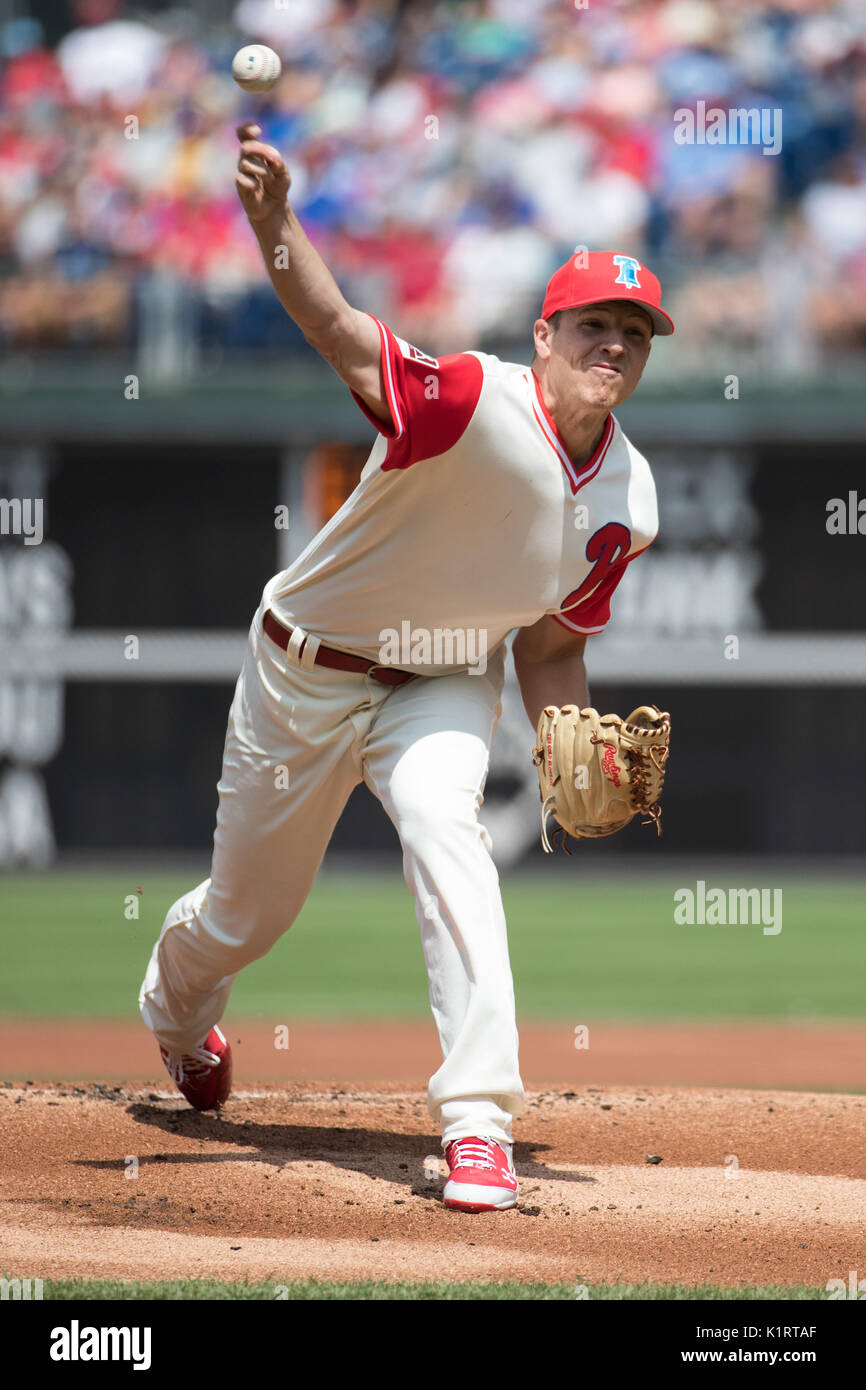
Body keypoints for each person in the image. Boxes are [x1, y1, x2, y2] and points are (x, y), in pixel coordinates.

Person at [139, 123, 674, 1213]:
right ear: (545, 333)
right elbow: (340, 332)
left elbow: (553, 639)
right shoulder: (472, 398)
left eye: (632, 330)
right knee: (249, 915)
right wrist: (272, 221)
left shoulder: (632, 498)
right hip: (304, 670)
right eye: (591, 325)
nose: (611, 344)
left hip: (440, 680)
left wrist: (562, 736)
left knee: (448, 831)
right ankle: (176, 1011)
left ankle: (478, 1123)